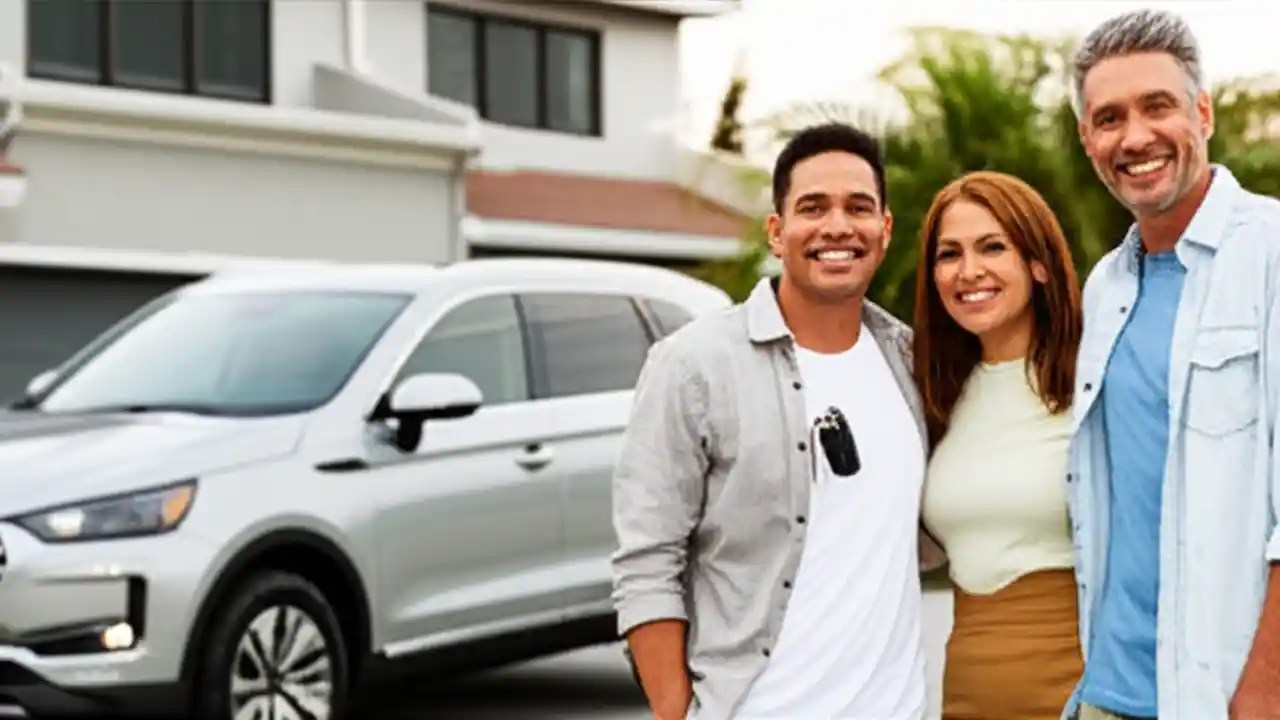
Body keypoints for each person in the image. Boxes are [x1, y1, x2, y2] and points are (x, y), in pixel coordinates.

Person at [610, 122, 945, 720]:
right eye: (813, 208)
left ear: (885, 228)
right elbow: (648, 561)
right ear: (776, 230)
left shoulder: (910, 362)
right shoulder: (694, 365)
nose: (837, 227)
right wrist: (674, 711)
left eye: (858, 207)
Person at [1064, 9, 1280, 720]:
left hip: (1228, 698)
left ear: (1203, 114)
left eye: (1157, 106)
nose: (1135, 138)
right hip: (1108, 695)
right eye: (1109, 118)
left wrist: (1267, 689)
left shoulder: (1271, 253)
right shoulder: (1105, 288)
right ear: (1088, 140)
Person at [914, 171, 1085, 719]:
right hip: (967, 693)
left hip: (1084, 692)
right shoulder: (934, 396)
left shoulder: (1094, 384)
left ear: (1038, 264)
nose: (969, 271)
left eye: (992, 247)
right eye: (949, 254)